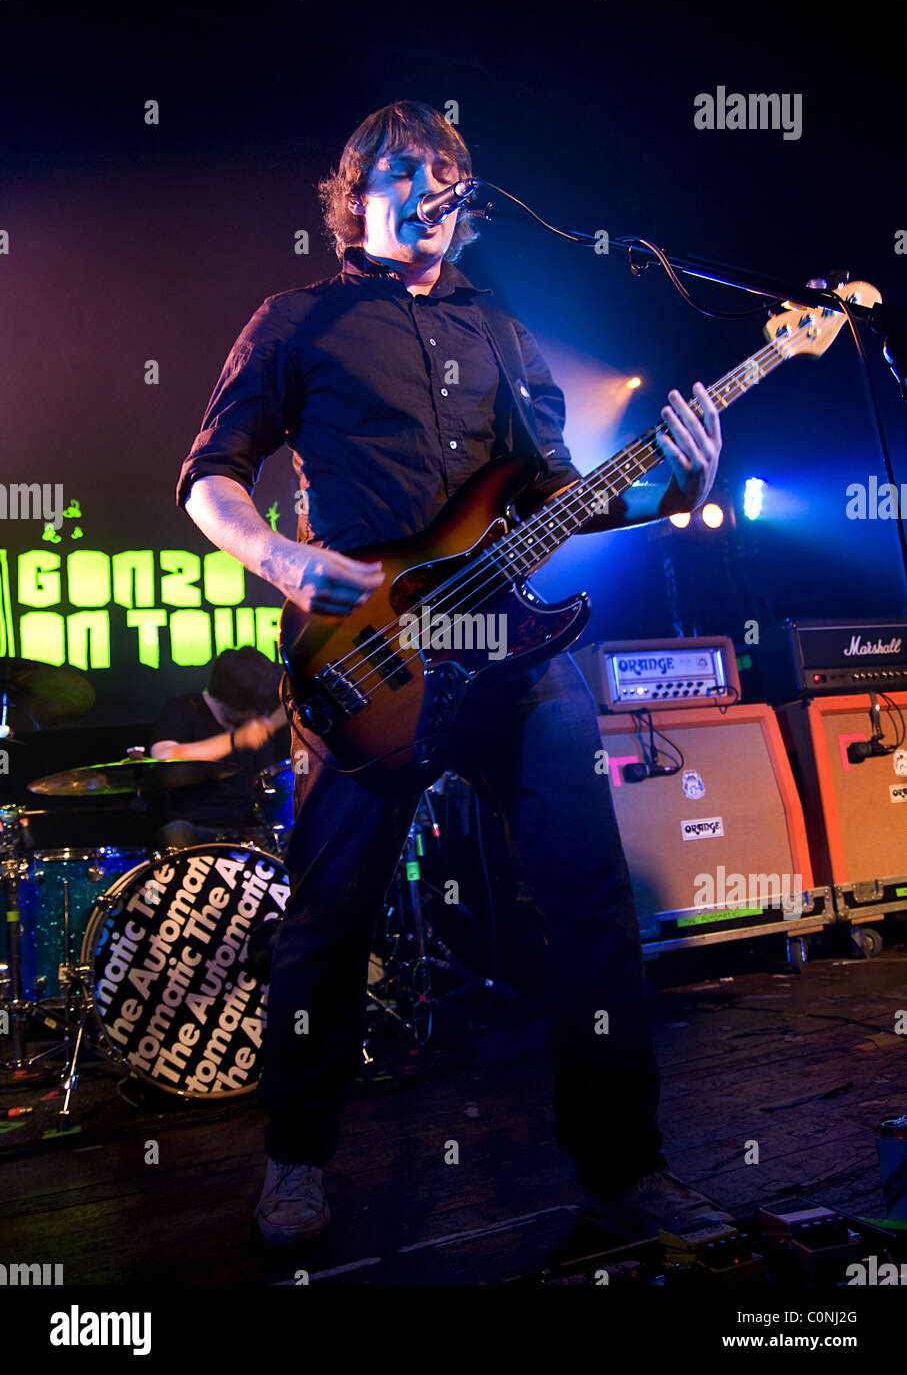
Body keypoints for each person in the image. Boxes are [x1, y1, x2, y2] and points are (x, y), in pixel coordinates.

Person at [176, 100, 734, 1248]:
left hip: (510, 655)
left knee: (588, 904)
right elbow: (207, 476)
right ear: (357, 189)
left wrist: (673, 485)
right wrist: (280, 555)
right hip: (365, 660)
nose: (435, 182)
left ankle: (623, 1171)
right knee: (327, 920)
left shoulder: (502, 330)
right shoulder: (296, 320)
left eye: (449, 168)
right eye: (408, 166)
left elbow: (558, 495)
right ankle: (294, 1160)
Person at [150, 644, 289, 848]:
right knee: (176, 834)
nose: (258, 715)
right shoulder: (182, 709)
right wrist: (235, 740)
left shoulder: (255, 719)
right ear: (229, 700)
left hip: (247, 828)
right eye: (253, 710)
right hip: (195, 828)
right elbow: (164, 757)